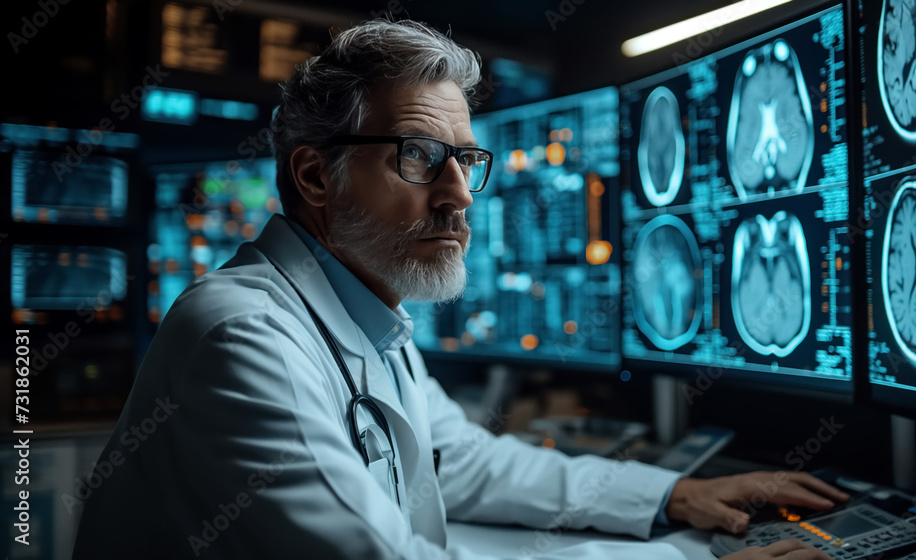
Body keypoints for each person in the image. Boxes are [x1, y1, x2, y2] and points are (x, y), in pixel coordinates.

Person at [72, 19, 847, 559]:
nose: (459, 195)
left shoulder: (367, 322)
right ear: (315, 175)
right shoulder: (241, 336)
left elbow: (462, 462)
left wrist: (668, 495)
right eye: (418, 155)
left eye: (466, 161)